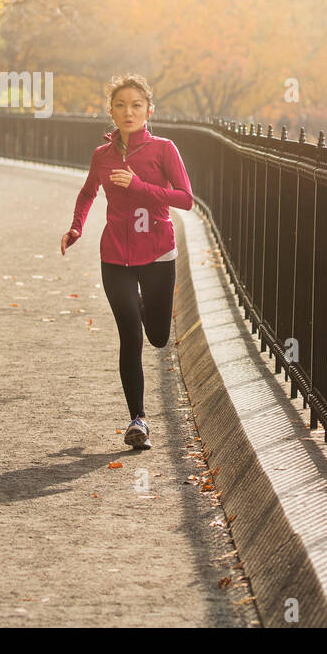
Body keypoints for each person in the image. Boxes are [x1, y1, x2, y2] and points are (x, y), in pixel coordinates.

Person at [60, 73, 193, 449]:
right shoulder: (102, 155)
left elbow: (185, 199)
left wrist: (139, 187)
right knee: (130, 335)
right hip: (115, 255)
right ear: (111, 113)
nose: (128, 111)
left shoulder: (164, 149)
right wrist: (76, 228)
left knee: (157, 336)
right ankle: (138, 420)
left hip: (157, 253)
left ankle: (140, 303)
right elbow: (88, 193)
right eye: (120, 105)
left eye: (136, 105)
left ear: (149, 111)